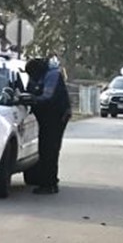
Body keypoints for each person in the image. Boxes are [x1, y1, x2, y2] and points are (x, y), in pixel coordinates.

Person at [23, 56, 72, 194]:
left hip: (57, 116)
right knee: (44, 148)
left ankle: (49, 184)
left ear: (37, 71)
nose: (31, 78)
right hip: (47, 116)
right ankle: (44, 179)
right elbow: (30, 90)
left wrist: (33, 99)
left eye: (32, 75)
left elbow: (48, 96)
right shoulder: (38, 74)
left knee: (49, 149)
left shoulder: (53, 75)